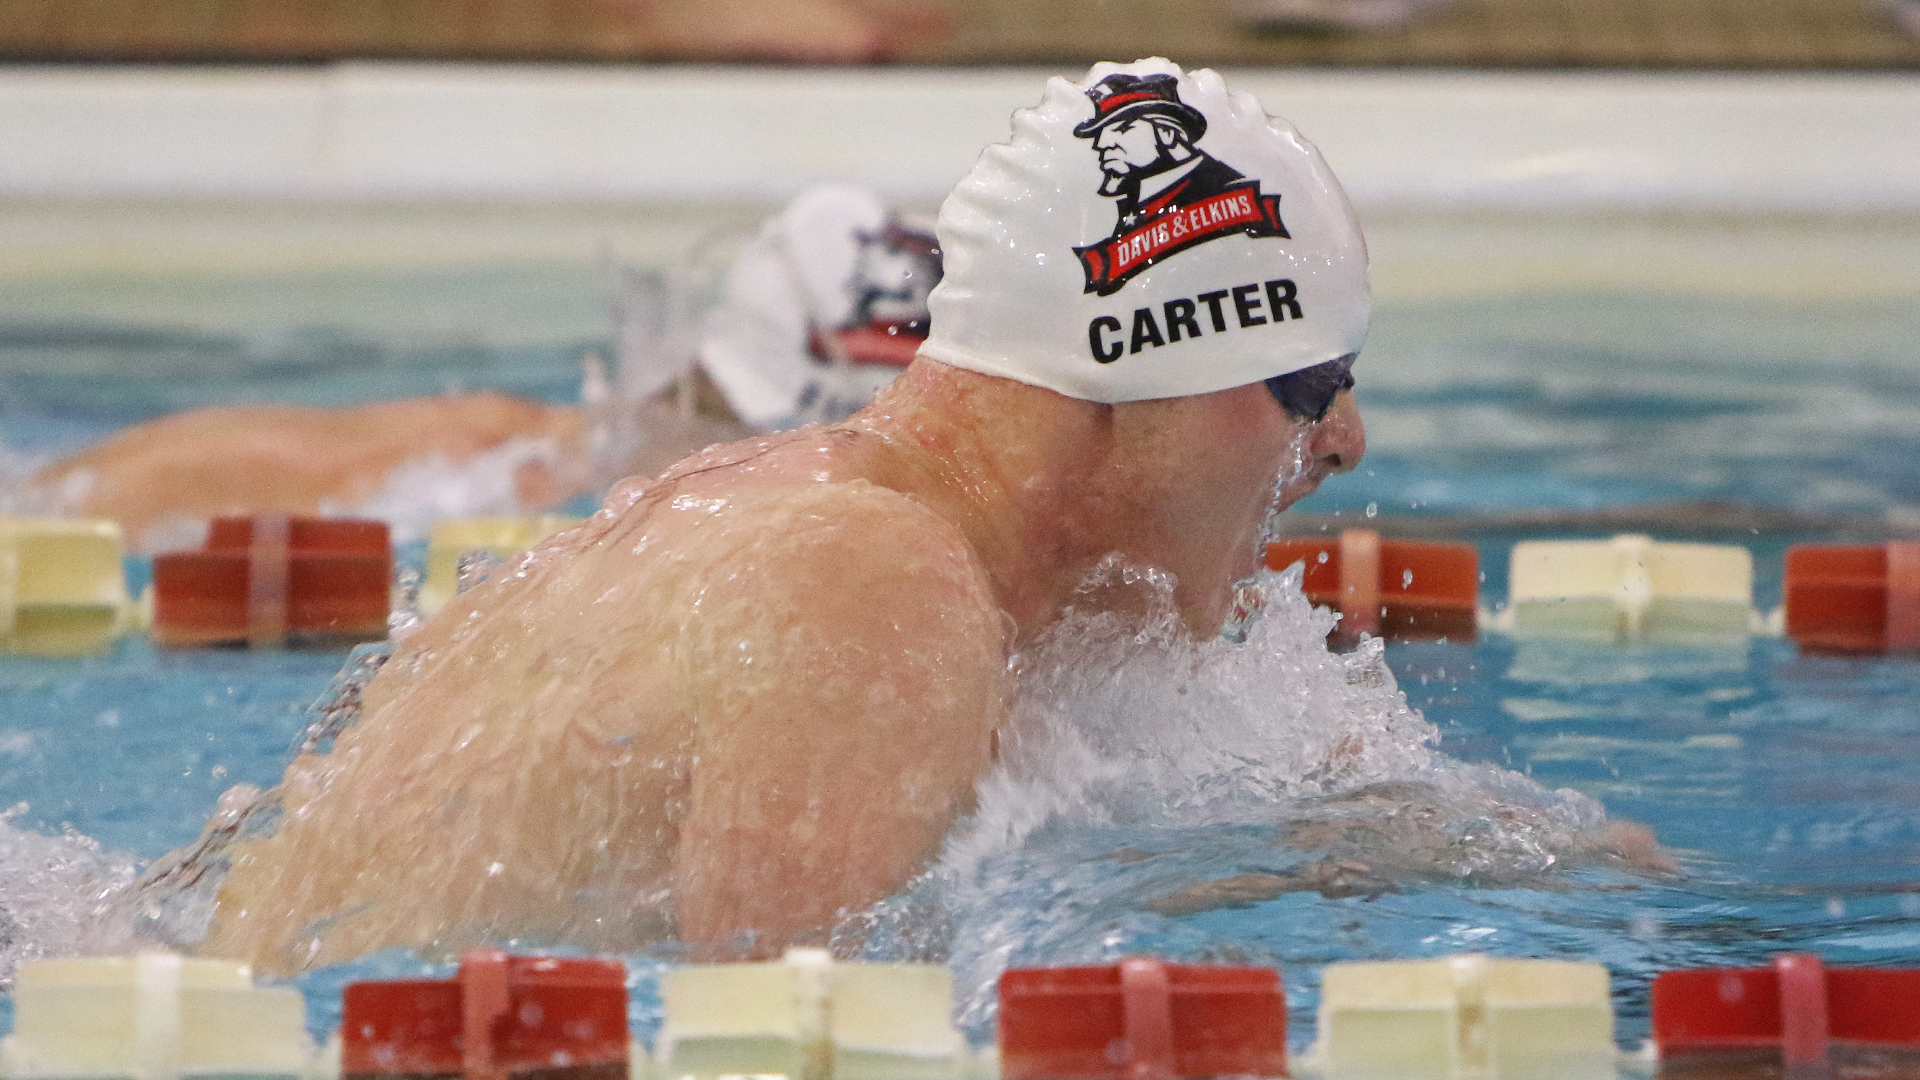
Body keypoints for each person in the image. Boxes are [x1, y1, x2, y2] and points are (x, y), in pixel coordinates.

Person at [193, 58, 1372, 974]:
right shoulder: (874, 585)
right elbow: (793, 1035)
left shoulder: (821, 515)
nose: (1344, 441)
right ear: (1146, 375)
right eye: (1310, 389)